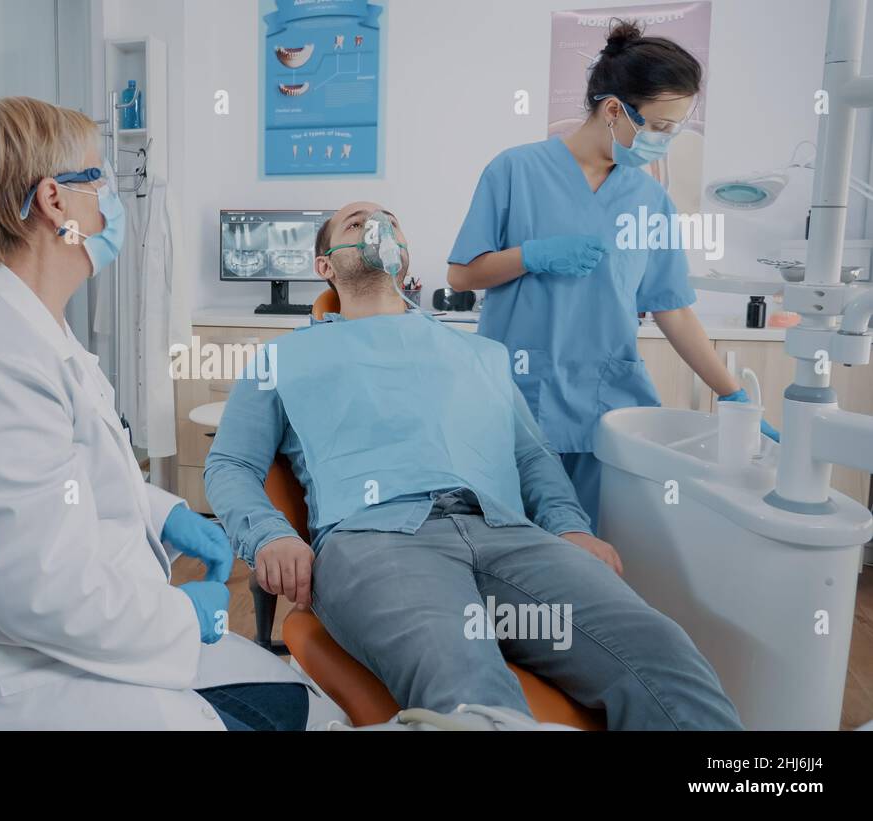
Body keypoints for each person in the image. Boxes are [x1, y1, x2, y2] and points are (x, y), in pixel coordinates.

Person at [0, 96, 314, 730]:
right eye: (97, 176)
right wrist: (184, 616)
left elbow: (66, 479)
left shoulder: (33, 327)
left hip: (56, 639)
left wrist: (167, 513)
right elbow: (39, 593)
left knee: (283, 701)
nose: (110, 198)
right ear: (55, 202)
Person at [205, 200, 743, 730]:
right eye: (356, 222)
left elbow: (533, 455)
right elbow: (229, 463)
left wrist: (570, 526)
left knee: (661, 653)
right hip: (376, 539)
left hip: (509, 534)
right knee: (464, 681)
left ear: (405, 258)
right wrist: (271, 535)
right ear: (324, 266)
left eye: (389, 221)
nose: (376, 225)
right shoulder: (282, 358)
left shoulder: (480, 353)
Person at [447, 19, 776, 530]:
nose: (665, 140)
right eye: (660, 127)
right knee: (522, 550)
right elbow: (462, 276)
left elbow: (672, 307)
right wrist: (531, 255)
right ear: (614, 109)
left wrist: (732, 393)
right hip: (519, 398)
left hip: (608, 402)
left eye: (676, 129)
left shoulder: (650, 200)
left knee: (603, 551)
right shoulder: (513, 171)